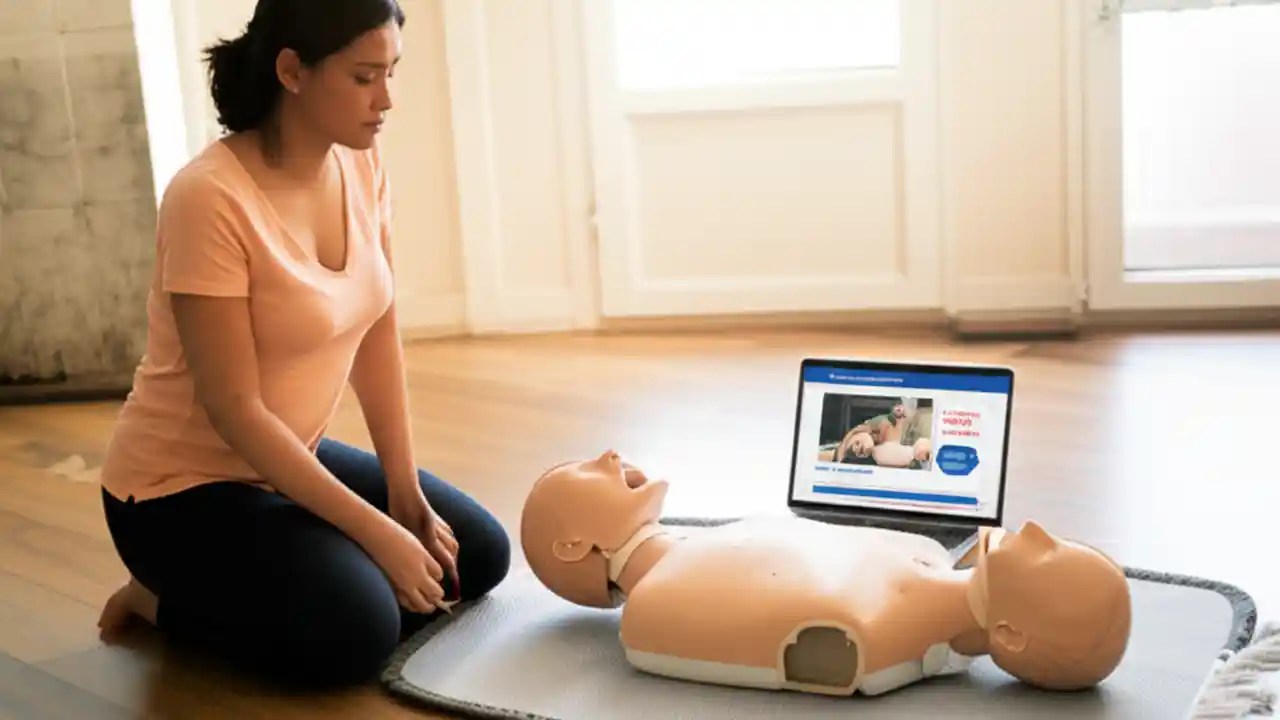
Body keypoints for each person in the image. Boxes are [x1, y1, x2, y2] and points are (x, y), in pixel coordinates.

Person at [94, 0, 510, 688]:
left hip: (287, 460)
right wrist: (377, 534)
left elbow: (377, 328)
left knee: (478, 557)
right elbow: (234, 409)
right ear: (292, 70)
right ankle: (159, 599)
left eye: (392, 73)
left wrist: (403, 494)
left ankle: (306, 568)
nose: (387, 100)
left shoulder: (361, 164)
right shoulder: (209, 197)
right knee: (358, 630)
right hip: (178, 495)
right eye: (363, 77)